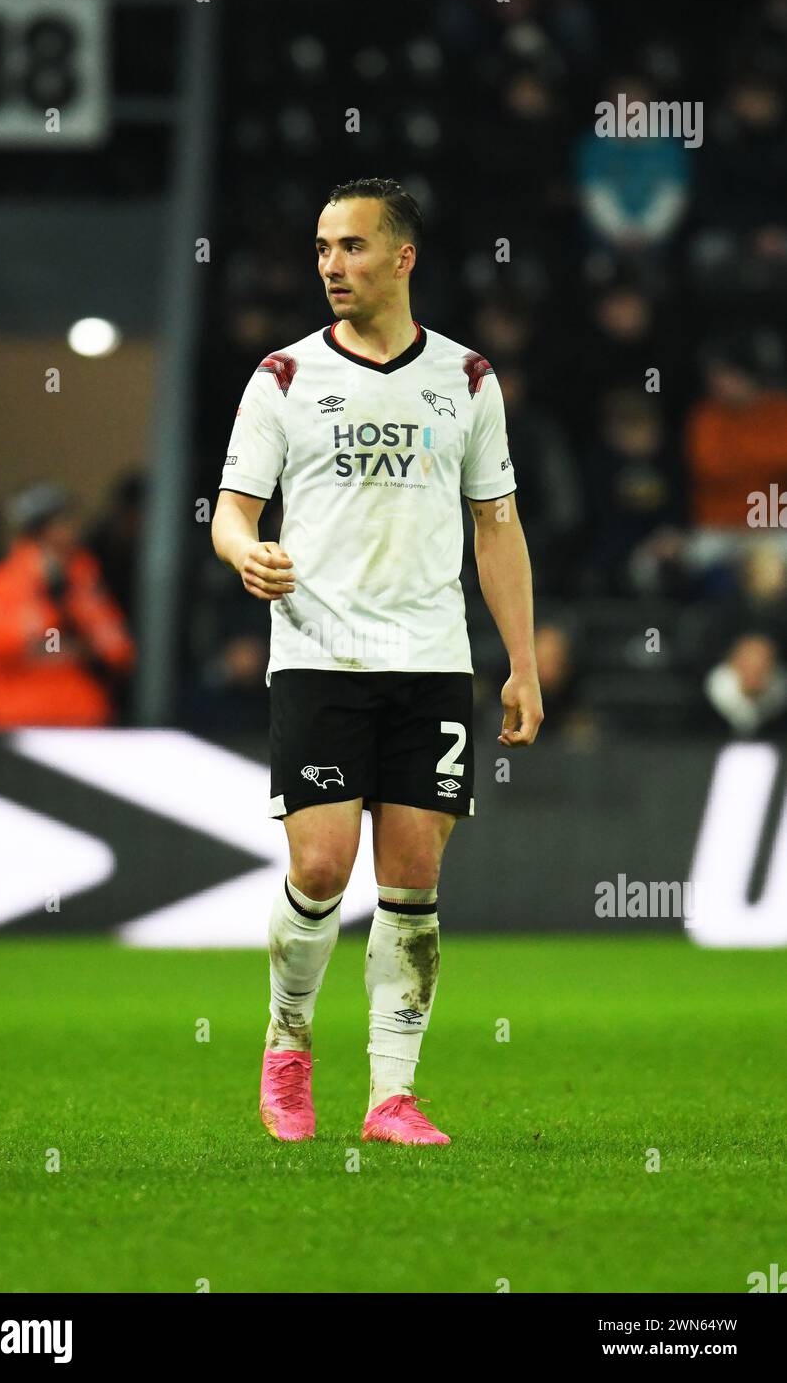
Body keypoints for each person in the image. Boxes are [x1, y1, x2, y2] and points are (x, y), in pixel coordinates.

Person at [212, 178, 543, 1147]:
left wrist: (518, 662)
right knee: (319, 867)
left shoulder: (468, 379)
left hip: (431, 661)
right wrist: (247, 552)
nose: (330, 265)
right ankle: (287, 1041)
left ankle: (390, 1096)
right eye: (321, 247)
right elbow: (234, 509)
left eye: (351, 247)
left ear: (402, 258)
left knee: (410, 880)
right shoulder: (282, 377)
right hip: (316, 655)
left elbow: (496, 526)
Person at [0, 482, 135, 728]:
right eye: (62, 521)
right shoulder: (2, 583)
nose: (71, 529)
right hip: (19, 719)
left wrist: (76, 607)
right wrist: (42, 595)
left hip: (84, 718)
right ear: (40, 529)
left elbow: (119, 650)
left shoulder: (84, 580)